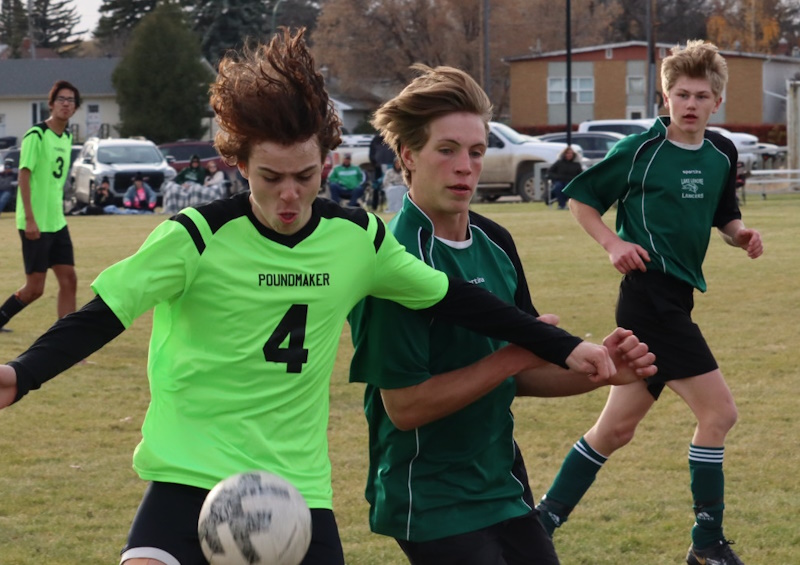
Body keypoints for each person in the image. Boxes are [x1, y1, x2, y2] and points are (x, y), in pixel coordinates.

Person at [0, 29, 621, 565]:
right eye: (271, 178)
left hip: (296, 488)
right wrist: (21, 374)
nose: (290, 196)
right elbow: (102, 316)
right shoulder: (195, 237)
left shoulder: (357, 238)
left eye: (306, 175)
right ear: (239, 163)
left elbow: (459, 300)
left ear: (328, 161)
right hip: (187, 471)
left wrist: (564, 346)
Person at [347, 64, 657, 565]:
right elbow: (404, 408)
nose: (466, 166)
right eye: (446, 150)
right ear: (408, 155)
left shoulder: (496, 241)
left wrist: (602, 375)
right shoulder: (394, 260)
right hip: (430, 499)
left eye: (475, 151)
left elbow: (523, 371)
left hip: (501, 486)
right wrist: (511, 359)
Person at [535, 40, 763, 565]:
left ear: (717, 101)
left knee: (615, 429)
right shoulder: (639, 149)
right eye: (680, 94)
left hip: (676, 302)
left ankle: (541, 520)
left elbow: (723, 211)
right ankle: (706, 543)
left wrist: (740, 233)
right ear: (665, 95)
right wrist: (613, 244)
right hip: (647, 300)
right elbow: (581, 198)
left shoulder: (721, 152)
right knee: (719, 413)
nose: (689, 104)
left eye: (701, 96)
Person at [0, 80, 80, 333]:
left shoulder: (67, 137)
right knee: (35, 288)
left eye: (71, 101)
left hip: (57, 221)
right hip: (35, 222)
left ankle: (65, 340)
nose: (66, 104)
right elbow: (24, 177)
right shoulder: (36, 134)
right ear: (51, 104)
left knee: (69, 279)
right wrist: (30, 220)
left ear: (75, 108)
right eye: (61, 99)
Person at [547, 145, 582, 209]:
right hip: (559, 180)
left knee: (568, 188)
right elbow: (549, 172)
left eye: (571, 153)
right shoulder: (559, 162)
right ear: (564, 154)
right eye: (567, 153)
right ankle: (562, 205)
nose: (569, 155)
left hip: (571, 182)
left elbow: (580, 175)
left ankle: (568, 205)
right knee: (558, 187)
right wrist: (557, 177)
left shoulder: (577, 164)